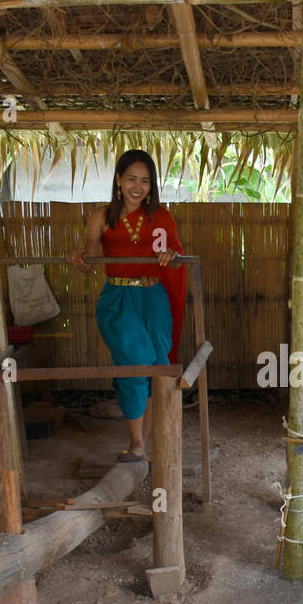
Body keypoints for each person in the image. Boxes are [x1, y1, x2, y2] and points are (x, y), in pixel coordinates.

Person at [67, 150, 186, 462]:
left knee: (157, 365)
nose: (138, 186)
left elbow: (175, 257)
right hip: (118, 301)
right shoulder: (100, 216)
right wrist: (79, 256)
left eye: (145, 180)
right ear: (118, 180)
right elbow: (90, 260)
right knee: (136, 363)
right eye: (131, 178)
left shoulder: (162, 216)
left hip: (155, 299)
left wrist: (172, 257)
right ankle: (135, 445)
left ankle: (143, 446)